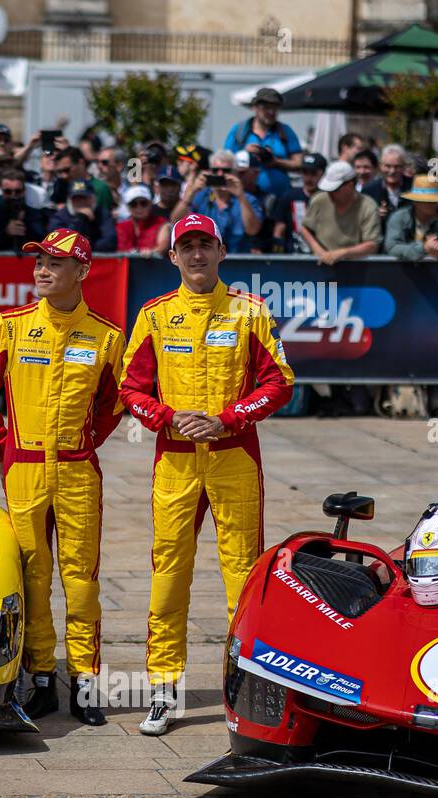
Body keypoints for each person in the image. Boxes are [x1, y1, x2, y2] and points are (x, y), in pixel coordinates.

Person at [118, 213, 294, 735]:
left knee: (243, 574)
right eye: (186, 246)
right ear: (172, 256)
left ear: (221, 252)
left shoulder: (250, 312)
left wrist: (227, 418)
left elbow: (280, 382)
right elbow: (131, 388)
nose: (196, 254)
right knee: (169, 572)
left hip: (235, 455)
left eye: (205, 244)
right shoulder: (154, 314)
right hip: (173, 458)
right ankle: (163, 689)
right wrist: (171, 418)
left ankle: (243, 684)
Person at [0, 228, 124, 724]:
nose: (42, 270)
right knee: (32, 576)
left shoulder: (107, 335)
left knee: (81, 581)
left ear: (82, 271)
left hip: (78, 472)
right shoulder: (10, 325)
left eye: (55, 262)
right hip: (25, 469)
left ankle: (84, 682)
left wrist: (83, 442)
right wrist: (1, 446)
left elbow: (115, 403)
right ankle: (37, 679)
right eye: (38, 261)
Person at [171, 150, 262, 254]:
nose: (220, 174)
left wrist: (241, 196)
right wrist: (191, 193)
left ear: (235, 173)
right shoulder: (200, 196)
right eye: (216, 170)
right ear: (209, 172)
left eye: (226, 171)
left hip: (238, 261)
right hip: (206, 260)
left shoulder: (248, 199)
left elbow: (253, 230)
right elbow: (175, 221)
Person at [222, 87, 302, 200]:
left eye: (275, 108)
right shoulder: (239, 131)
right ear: (255, 108)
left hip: (280, 198)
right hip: (246, 198)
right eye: (267, 108)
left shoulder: (285, 131)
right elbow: (224, 162)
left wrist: (275, 161)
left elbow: (299, 163)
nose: (271, 112)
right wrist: (244, 155)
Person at [300, 160, 381, 265]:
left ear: (350, 185)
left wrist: (342, 253)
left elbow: (371, 245)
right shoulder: (318, 200)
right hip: (320, 268)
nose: (330, 194)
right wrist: (319, 251)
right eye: (328, 190)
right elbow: (305, 228)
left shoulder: (368, 206)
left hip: (356, 269)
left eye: (335, 190)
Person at [383, 176, 438, 261]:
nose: (433, 204)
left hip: (437, 272)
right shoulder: (398, 218)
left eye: (435, 200)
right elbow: (392, 247)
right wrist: (423, 248)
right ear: (415, 202)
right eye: (427, 201)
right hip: (403, 272)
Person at [275, 152, 326, 253]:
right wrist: (278, 254)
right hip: (293, 257)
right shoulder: (289, 197)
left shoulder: (327, 198)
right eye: (305, 172)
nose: (308, 178)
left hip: (321, 255)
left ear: (322, 173)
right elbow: (279, 230)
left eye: (313, 173)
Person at [0, 169, 44, 252]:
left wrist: (27, 225)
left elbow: (41, 242)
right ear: (1, 191)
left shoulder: (35, 214)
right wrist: (6, 233)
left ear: (24, 191)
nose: (13, 196)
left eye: (18, 191)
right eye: (8, 192)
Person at [46, 180, 112, 252]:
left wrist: (84, 249)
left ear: (93, 198)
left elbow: (110, 241)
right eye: (76, 198)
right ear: (69, 200)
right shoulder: (59, 218)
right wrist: (80, 219)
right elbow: (62, 243)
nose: (81, 202)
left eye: (84, 197)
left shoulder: (102, 214)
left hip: (97, 261)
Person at [362, 144, 412, 229]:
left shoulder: (413, 187)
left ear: (404, 167)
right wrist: (374, 216)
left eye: (397, 167)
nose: (392, 171)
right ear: (380, 166)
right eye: (388, 166)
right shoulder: (369, 190)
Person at [115, 184, 169, 255]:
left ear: (150, 204)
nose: (139, 207)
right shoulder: (120, 227)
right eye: (134, 204)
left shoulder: (161, 223)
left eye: (143, 203)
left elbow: (163, 245)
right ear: (128, 207)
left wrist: (152, 253)